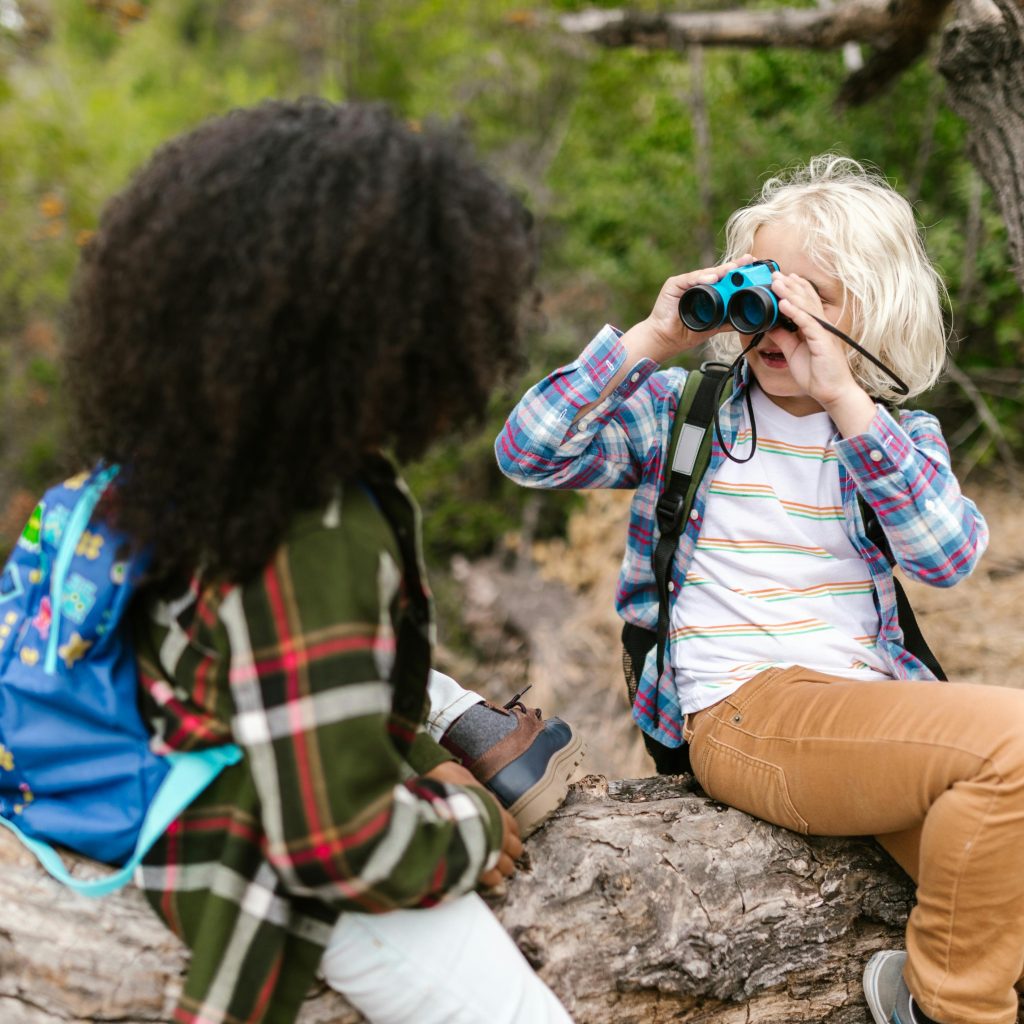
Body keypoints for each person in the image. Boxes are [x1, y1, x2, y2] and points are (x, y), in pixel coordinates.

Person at [63, 99, 581, 1024]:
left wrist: (420, 761)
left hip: (175, 798)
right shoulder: (317, 528)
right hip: (253, 869)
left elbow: (278, 698)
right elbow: (333, 845)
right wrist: (466, 828)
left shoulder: (195, 466)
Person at [497, 154, 1024, 1024]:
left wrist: (842, 393)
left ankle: (915, 982)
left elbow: (946, 557)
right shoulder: (683, 412)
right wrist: (653, 339)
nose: (775, 319)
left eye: (811, 296)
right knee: (1014, 739)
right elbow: (528, 451)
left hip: (869, 718)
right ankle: (946, 1010)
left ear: (875, 308)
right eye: (759, 291)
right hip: (744, 710)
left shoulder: (893, 435)